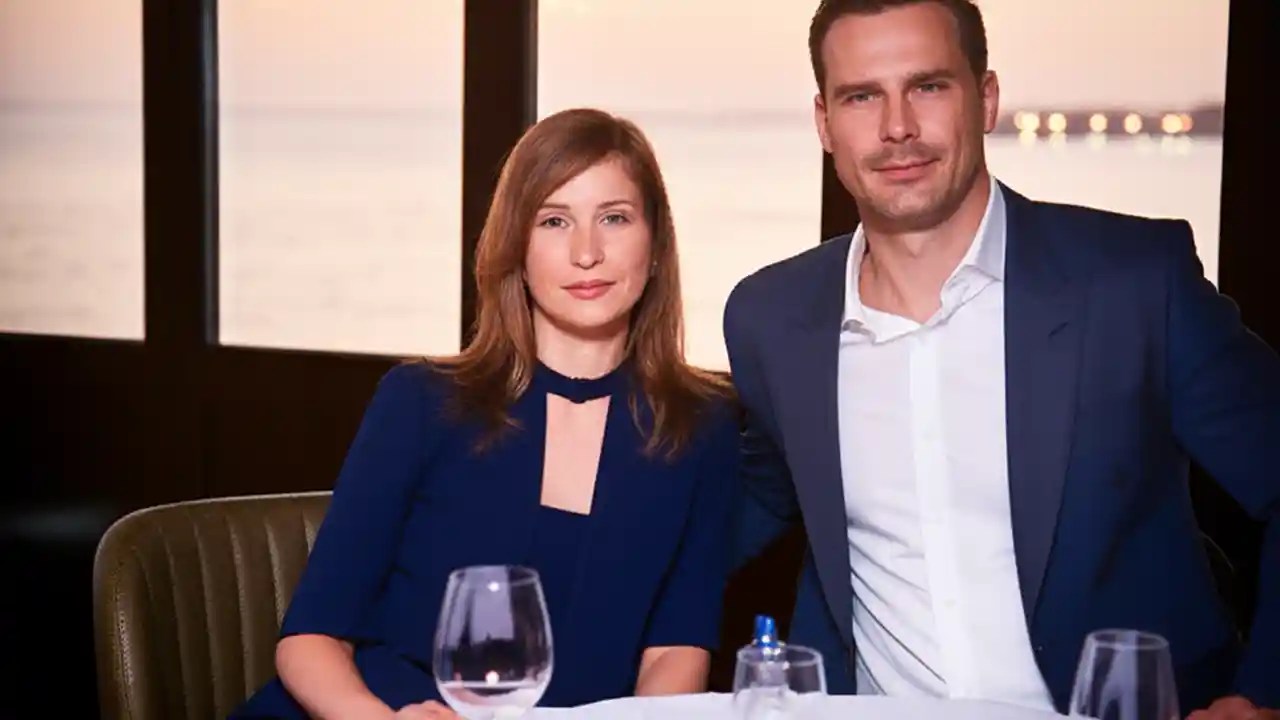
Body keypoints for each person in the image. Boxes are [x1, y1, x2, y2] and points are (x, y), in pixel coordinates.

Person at [723, 1, 1280, 718]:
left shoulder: (1136, 285)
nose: (897, 127)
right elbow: (751, 498)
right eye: (862, 96)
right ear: (825, 123)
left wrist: (1263, 695)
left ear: (985, 100)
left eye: (928, 86)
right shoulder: (773, 317)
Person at [232, 107, 739, 719]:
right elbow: (310, 640)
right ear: (517, 248)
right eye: (554, 221)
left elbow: (676, 650)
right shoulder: (420, 400)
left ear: (655, 245)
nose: (587, 252)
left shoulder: (700, 426)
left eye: (614, 218)